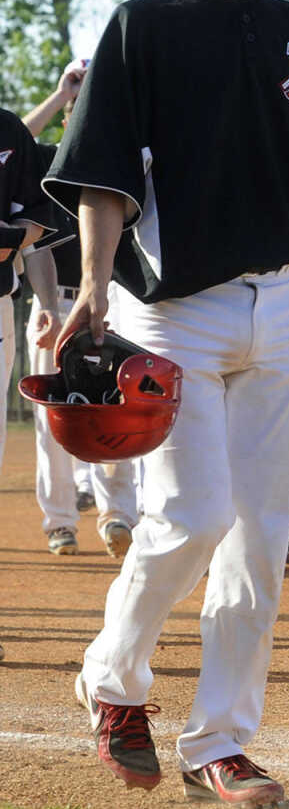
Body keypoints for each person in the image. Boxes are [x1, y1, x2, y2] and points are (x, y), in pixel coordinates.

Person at [49, 0, 289, 808]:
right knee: (192, 514)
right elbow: (102, 169)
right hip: (171, 312)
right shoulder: (143, 25)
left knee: (257, 538)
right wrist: (94, 285)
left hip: (282, 306)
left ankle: (221, 738)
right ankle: (113, 678)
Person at [23, 60, 140, 557]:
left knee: (116, 415)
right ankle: (59, 522)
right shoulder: (47, 163)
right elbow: (8, 144)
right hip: (55, 306)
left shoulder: (124, 168)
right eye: (80, 109)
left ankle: (117, 514)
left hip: (115, 307)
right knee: (53, 422)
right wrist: (59, 94)